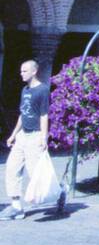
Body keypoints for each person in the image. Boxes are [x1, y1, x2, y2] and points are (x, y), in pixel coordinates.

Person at [2, 60, 51, 221]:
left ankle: (59, 194)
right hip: (23, 135)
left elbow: (44, 115)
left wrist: (43, 137)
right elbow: (23, 114)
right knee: (11, 168)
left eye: (24, 71)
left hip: (35, 136)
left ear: (34, 71)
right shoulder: (25, 90)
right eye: (21, 71)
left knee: (35, 174)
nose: (21, 74)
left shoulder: (43, 90)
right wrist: (14, 134)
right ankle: (16, 207)